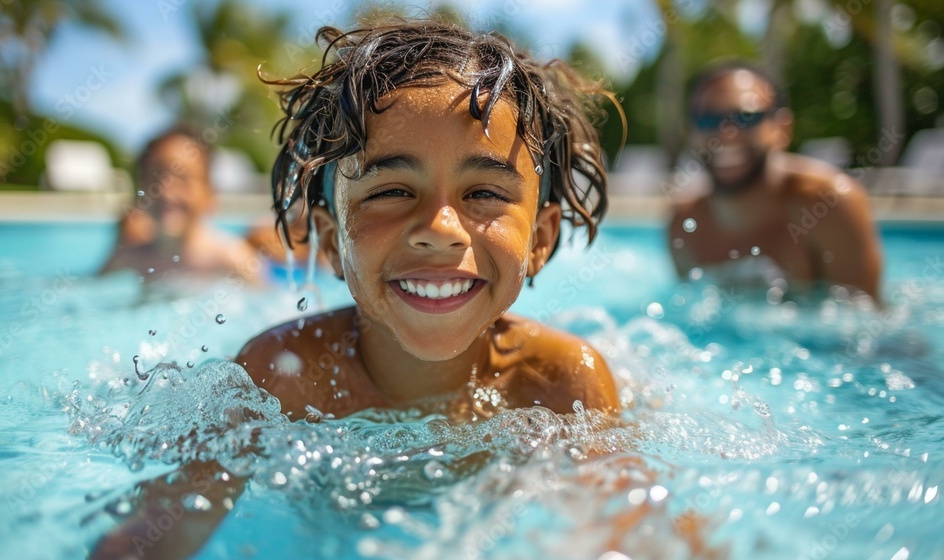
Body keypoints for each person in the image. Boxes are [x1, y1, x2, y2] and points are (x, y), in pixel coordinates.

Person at [91, 20, 626, 560]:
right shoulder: (284, 379)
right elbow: (154, 536)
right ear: (330, 242)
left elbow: (635, 536)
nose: (441, 228)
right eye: (392, 190)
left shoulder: (564, 386)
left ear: (540, 239)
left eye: (483, 192)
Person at [667, 61, 882, 302]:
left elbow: (865, 323)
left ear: (781, 128)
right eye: (707, 119)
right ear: (690, 133)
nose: (726, 134)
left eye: (745, 117)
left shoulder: (829, 204)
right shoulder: (684, 224)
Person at [100, 126, 264, 286]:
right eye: (155, 177)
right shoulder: (130, 258)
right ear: (140, 190)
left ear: (209, 195)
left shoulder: (232, 259)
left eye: (183, 179)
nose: (166, 193)